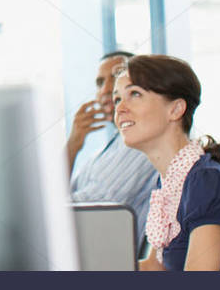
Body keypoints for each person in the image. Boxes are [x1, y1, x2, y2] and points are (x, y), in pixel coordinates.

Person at [112, 54, 220, 271]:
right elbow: (156, 267)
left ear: (175, 109)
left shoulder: (206, 179)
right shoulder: (170, 181)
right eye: (117, 99)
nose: (119, 109)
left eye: (135, 94)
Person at [67, 50, 159, 235]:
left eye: (116, 78)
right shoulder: (109, 148)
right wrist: (73, 144)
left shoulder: (141, 142)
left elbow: (88, 206)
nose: (105, 90)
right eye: (100, 83)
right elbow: (61, 192)